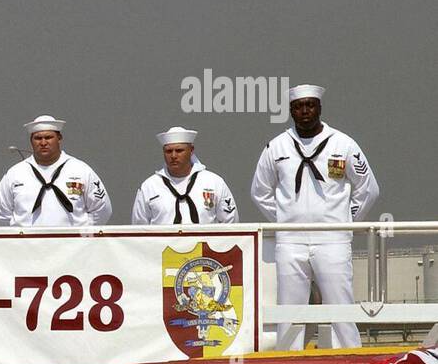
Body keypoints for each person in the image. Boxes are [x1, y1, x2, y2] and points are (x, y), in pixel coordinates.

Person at [0, 114, 111, 364]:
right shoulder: (16, 174)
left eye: (48, 137)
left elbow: (101, 210)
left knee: (73, 326)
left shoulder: (80, 171)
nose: (43, 143)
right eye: (37, 138)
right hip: (30, 262)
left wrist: (78, 241)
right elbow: (1, 215)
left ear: (59, 139)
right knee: (29, 326)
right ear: (31, 142)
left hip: (71, 261)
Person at [250, 84, 380, 349]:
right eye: (299, 106)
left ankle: (352, 359)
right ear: (291, 111)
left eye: (310, 105)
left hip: (332, 239)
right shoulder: (276, 147)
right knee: (290, 311)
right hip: (291, 241)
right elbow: (259, 191)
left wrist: (345, 220)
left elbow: (368, 189)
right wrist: (286, 219)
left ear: (319, 108)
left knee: (340, 306)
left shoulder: (343, 144)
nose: (305, 111)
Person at [131, 127, 239, 225]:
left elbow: (231, 223)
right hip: (163, 246)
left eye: (179, 151)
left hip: (204, 246)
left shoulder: (214, 183)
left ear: (191, 150)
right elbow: (139, 228)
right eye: (168, 151)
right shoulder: (149, 187)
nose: (173, 156)